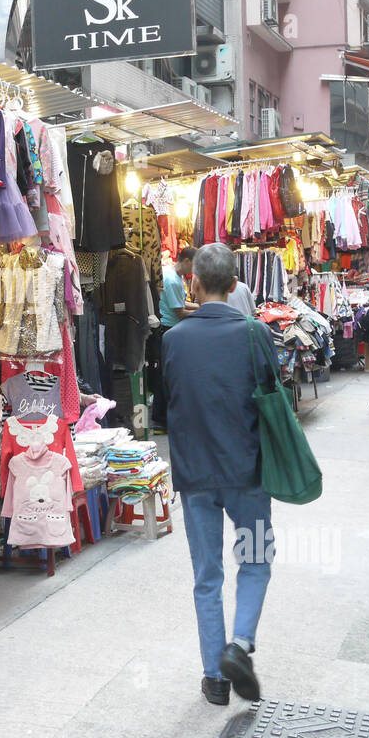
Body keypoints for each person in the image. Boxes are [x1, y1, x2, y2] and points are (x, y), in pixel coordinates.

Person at [163, 244, 279, 706]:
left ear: (194, 283)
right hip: (246, 473)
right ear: (235, 286)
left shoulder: (173, 340)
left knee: (206, 574)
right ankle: (240, 645)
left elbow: (168, 402)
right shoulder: (254, 334)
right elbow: (271, 395)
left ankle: (215, 676)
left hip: (196, 476)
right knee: (254, 560)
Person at [152, 247, 198, 431]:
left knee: (167, 374)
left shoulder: (173, 276)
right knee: (167, 375)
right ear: (187, 261)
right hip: (167, 330)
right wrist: (204, 311)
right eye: (194, 265)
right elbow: (180, 312)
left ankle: (163, 417)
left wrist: (200, 305)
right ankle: (161, 419)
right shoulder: (172, 280)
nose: (194, 270)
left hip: (168, 329)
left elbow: (179, 303)